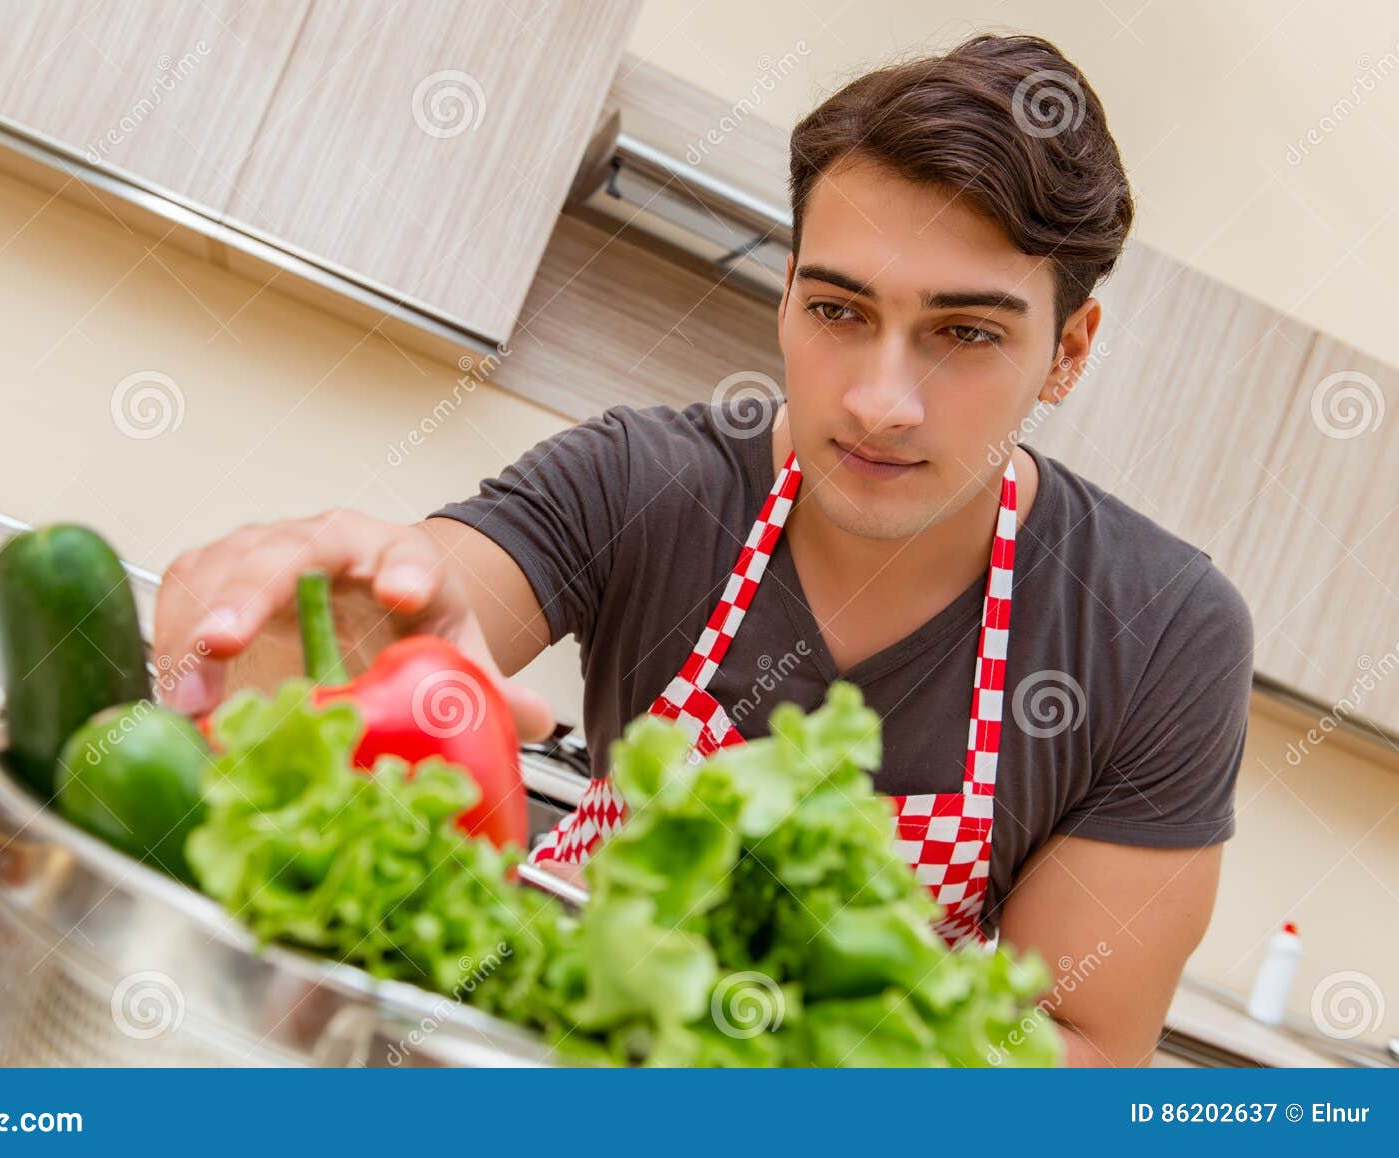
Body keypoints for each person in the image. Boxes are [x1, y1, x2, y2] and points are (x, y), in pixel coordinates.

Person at [153, 34, 1254, 1066]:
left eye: (963, 334)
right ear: (785, 292)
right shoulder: (642, 482)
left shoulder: (1156, 631)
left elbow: (1076, 1048)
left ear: (1066, 350)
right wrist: (300, 634)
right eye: (837, 310)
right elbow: (393, 622)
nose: (880, 402)